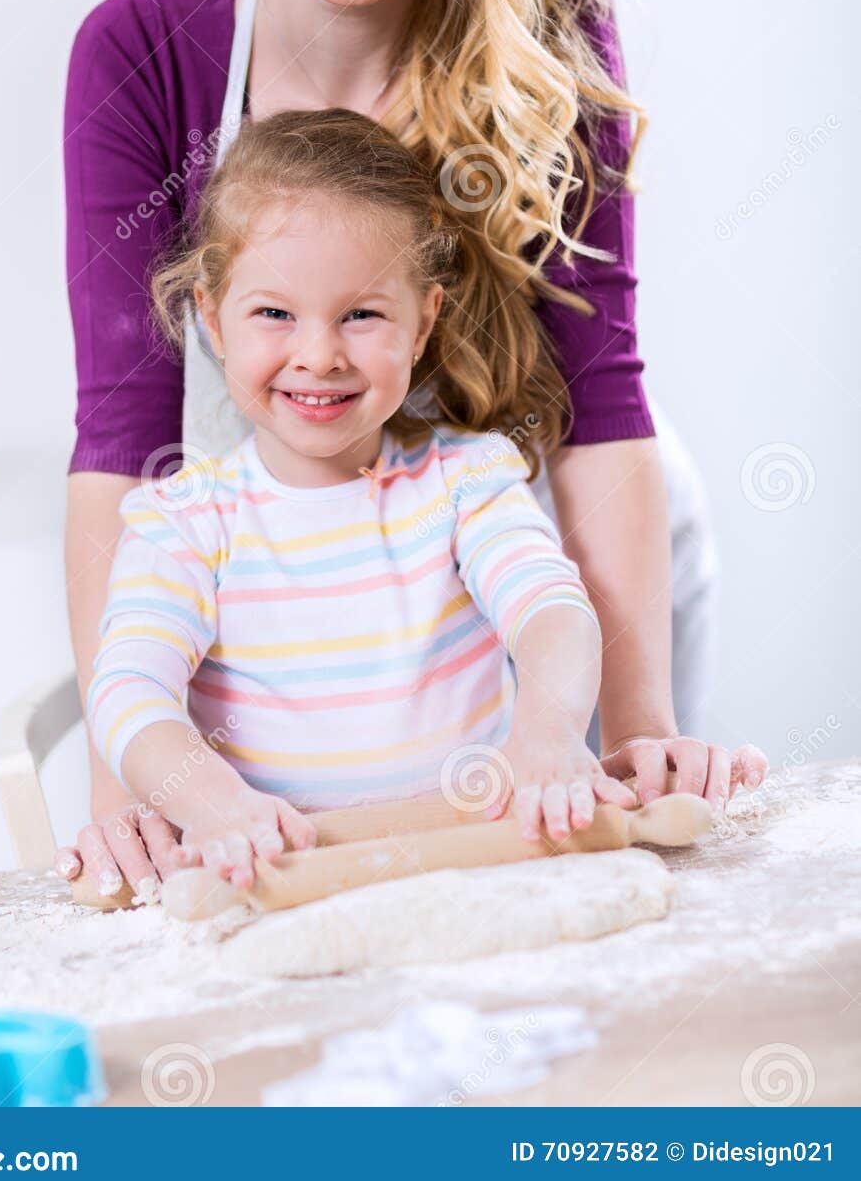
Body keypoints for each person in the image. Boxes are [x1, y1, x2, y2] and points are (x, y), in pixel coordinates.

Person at [59, 0, 765, 899]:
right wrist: (125, 789)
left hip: (544, 561)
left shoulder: (548, 20)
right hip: (297, 587)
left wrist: (635, 730)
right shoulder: (141, 59)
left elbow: (598, 400)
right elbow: (124, 433)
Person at [89, 107, 656, 891]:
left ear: (421, 324)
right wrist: (218, 808)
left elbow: (551, 611)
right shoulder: (183, 526)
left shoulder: (468, 486)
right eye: (274, 314)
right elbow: (128, 690)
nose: (318, 355)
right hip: (280, 883)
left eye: (360, 314)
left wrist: (547, 735)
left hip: (480, 869)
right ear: (214, 320)